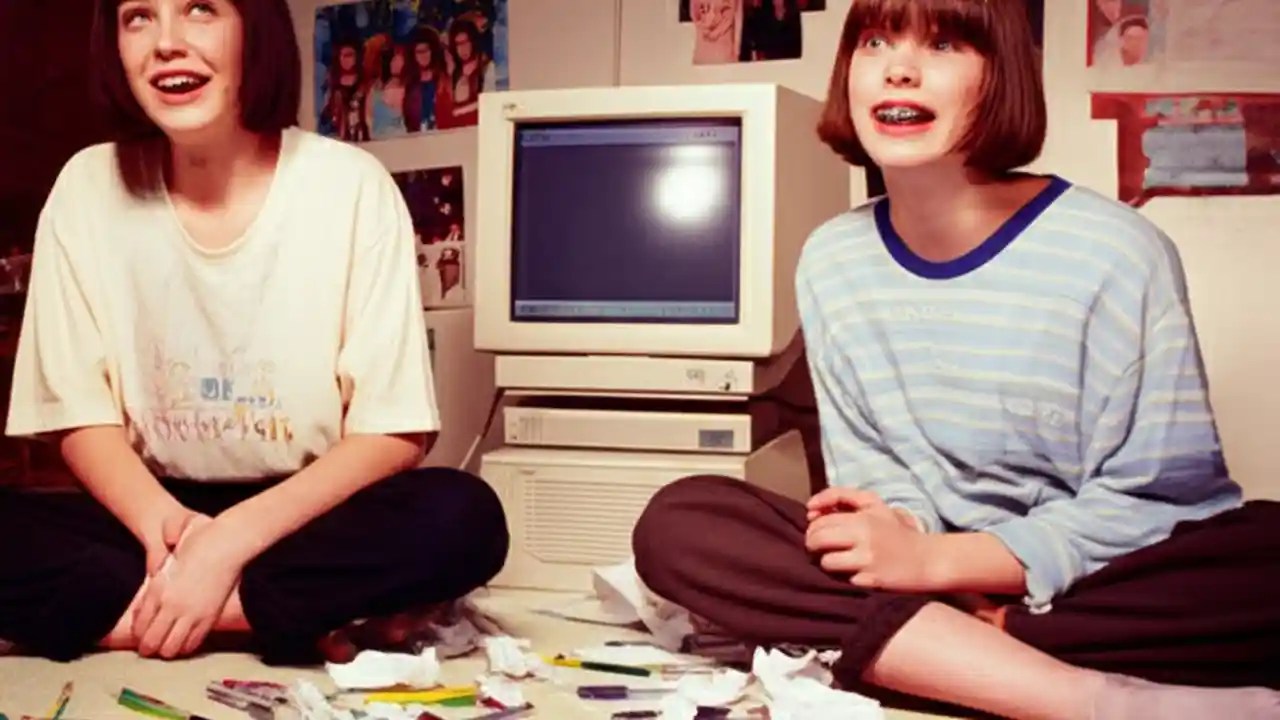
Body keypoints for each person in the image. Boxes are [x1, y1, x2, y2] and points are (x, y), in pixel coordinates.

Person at [632, 0, 1280, 718]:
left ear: (999, 76)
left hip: (1087, 574)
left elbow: (1155, 498)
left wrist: (942, 567)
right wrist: (901, 534)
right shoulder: (831, 258)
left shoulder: (1121, 253)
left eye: (942, 45)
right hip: (919, 575)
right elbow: (871, 471)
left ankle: (948, 651)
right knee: (681, 522)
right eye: (876, 40)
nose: (899, 68)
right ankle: (1089, 698)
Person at [0, 0, 508, 665]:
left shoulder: (350, 186)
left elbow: (395, 430)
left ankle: (147, 613)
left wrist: (229, 543)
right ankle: (275, 617)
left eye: (200, 10)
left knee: (462, 518)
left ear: (253, 30)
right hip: (152, 515)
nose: (167, 43)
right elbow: (77, 415)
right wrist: (178, 537)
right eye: (137, 18)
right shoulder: (87, 186)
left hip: (303, 513)